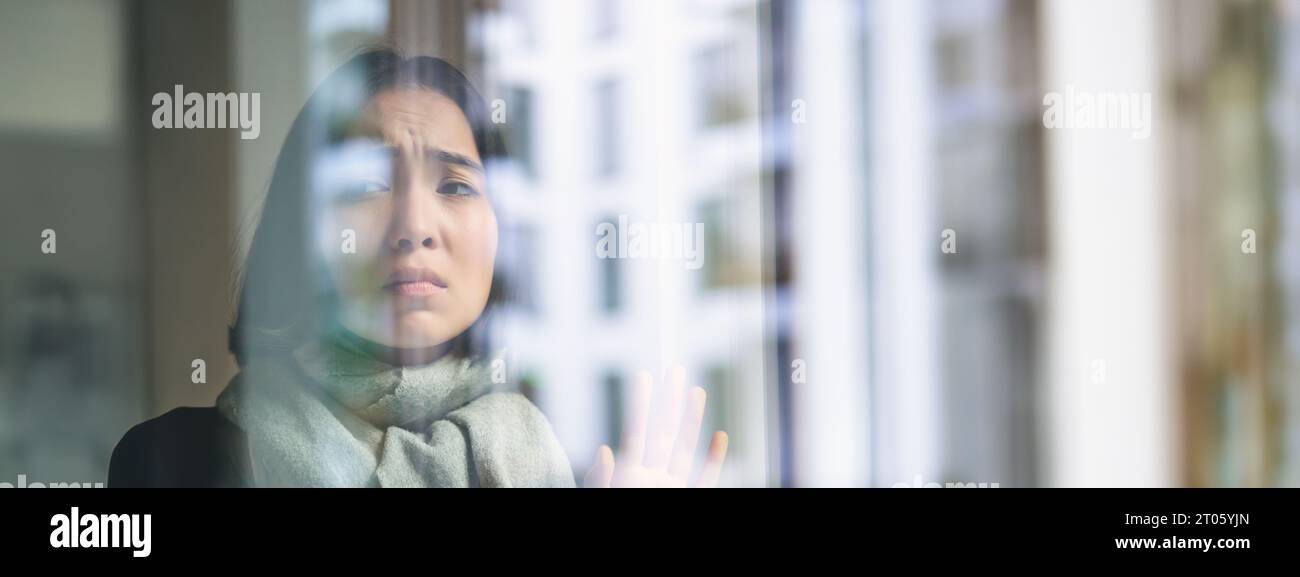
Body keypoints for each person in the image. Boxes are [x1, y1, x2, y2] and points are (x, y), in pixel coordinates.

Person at [108, 49, 727, 488]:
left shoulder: (550, 466)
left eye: (455, 186)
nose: (414, 225)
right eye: (367, 182)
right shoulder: (171, 463)